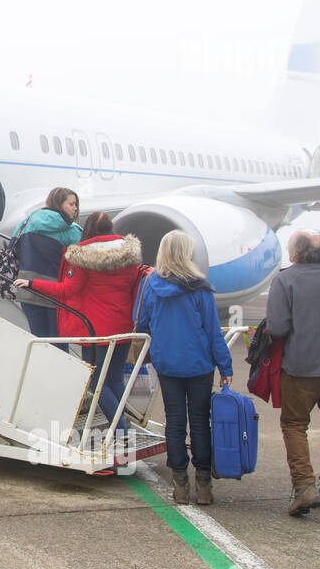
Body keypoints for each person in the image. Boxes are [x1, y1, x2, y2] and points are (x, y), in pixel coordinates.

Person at [15, 213, 142, 440]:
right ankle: (124, 426)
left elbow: (66, 290)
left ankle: (121, 432)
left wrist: (32, 283)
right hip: (123, 328)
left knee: (96, 382)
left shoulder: (83, 257)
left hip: (97, 333)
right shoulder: (129, 254)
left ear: (89, 230)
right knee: (114, 380)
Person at [133, 230, 233, 505]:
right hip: (199, 363)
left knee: (175, 422)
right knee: (200, 421)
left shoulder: (151, 284)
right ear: (187, 254)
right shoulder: (199, 287)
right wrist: (225, 365)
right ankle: (203, 485)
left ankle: (179, 483)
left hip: (167, 362)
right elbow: (213, 332)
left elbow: (140, 322)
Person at [266, 230, 320, 516]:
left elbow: (277, 328)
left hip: (300, 369)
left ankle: (304, 487)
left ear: (295, 253)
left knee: (294, 425)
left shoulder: (285, 279)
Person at [12, 187, 83, 342]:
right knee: (60, 346)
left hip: (28, 289)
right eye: (71, 204)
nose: (75, 208)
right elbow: (85, 261)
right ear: (59, 204)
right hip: (55, 294)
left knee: (40, 343)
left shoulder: (28, 222)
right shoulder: (72, 230)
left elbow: (13, 247)